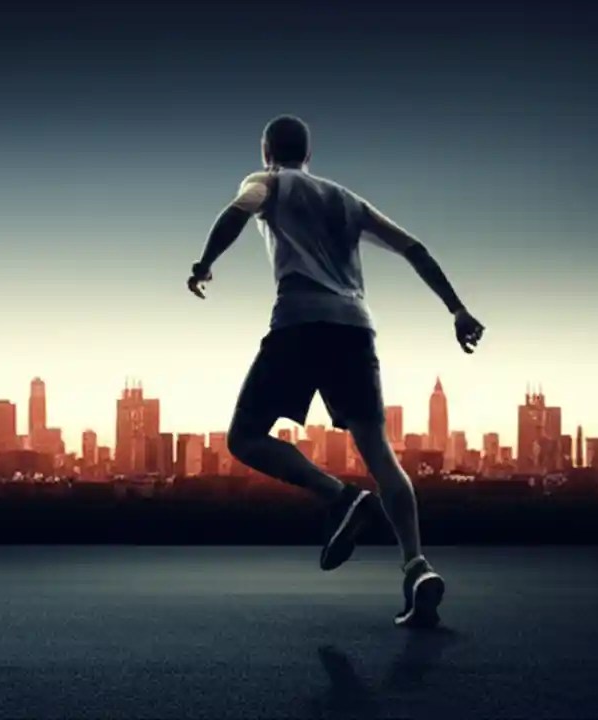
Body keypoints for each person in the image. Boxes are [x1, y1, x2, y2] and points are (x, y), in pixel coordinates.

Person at [187, 115, 485, 628]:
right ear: (310, 154)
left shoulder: (267, 182)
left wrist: (205, 261)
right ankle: (416, 565)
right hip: (354, 327)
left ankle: (340, 497)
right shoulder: (348, 200)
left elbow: (238, 210)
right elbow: (414, 249)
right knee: (379, 452)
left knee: (245, 437)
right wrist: (456, 309)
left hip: (299, 322)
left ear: (266, 152)